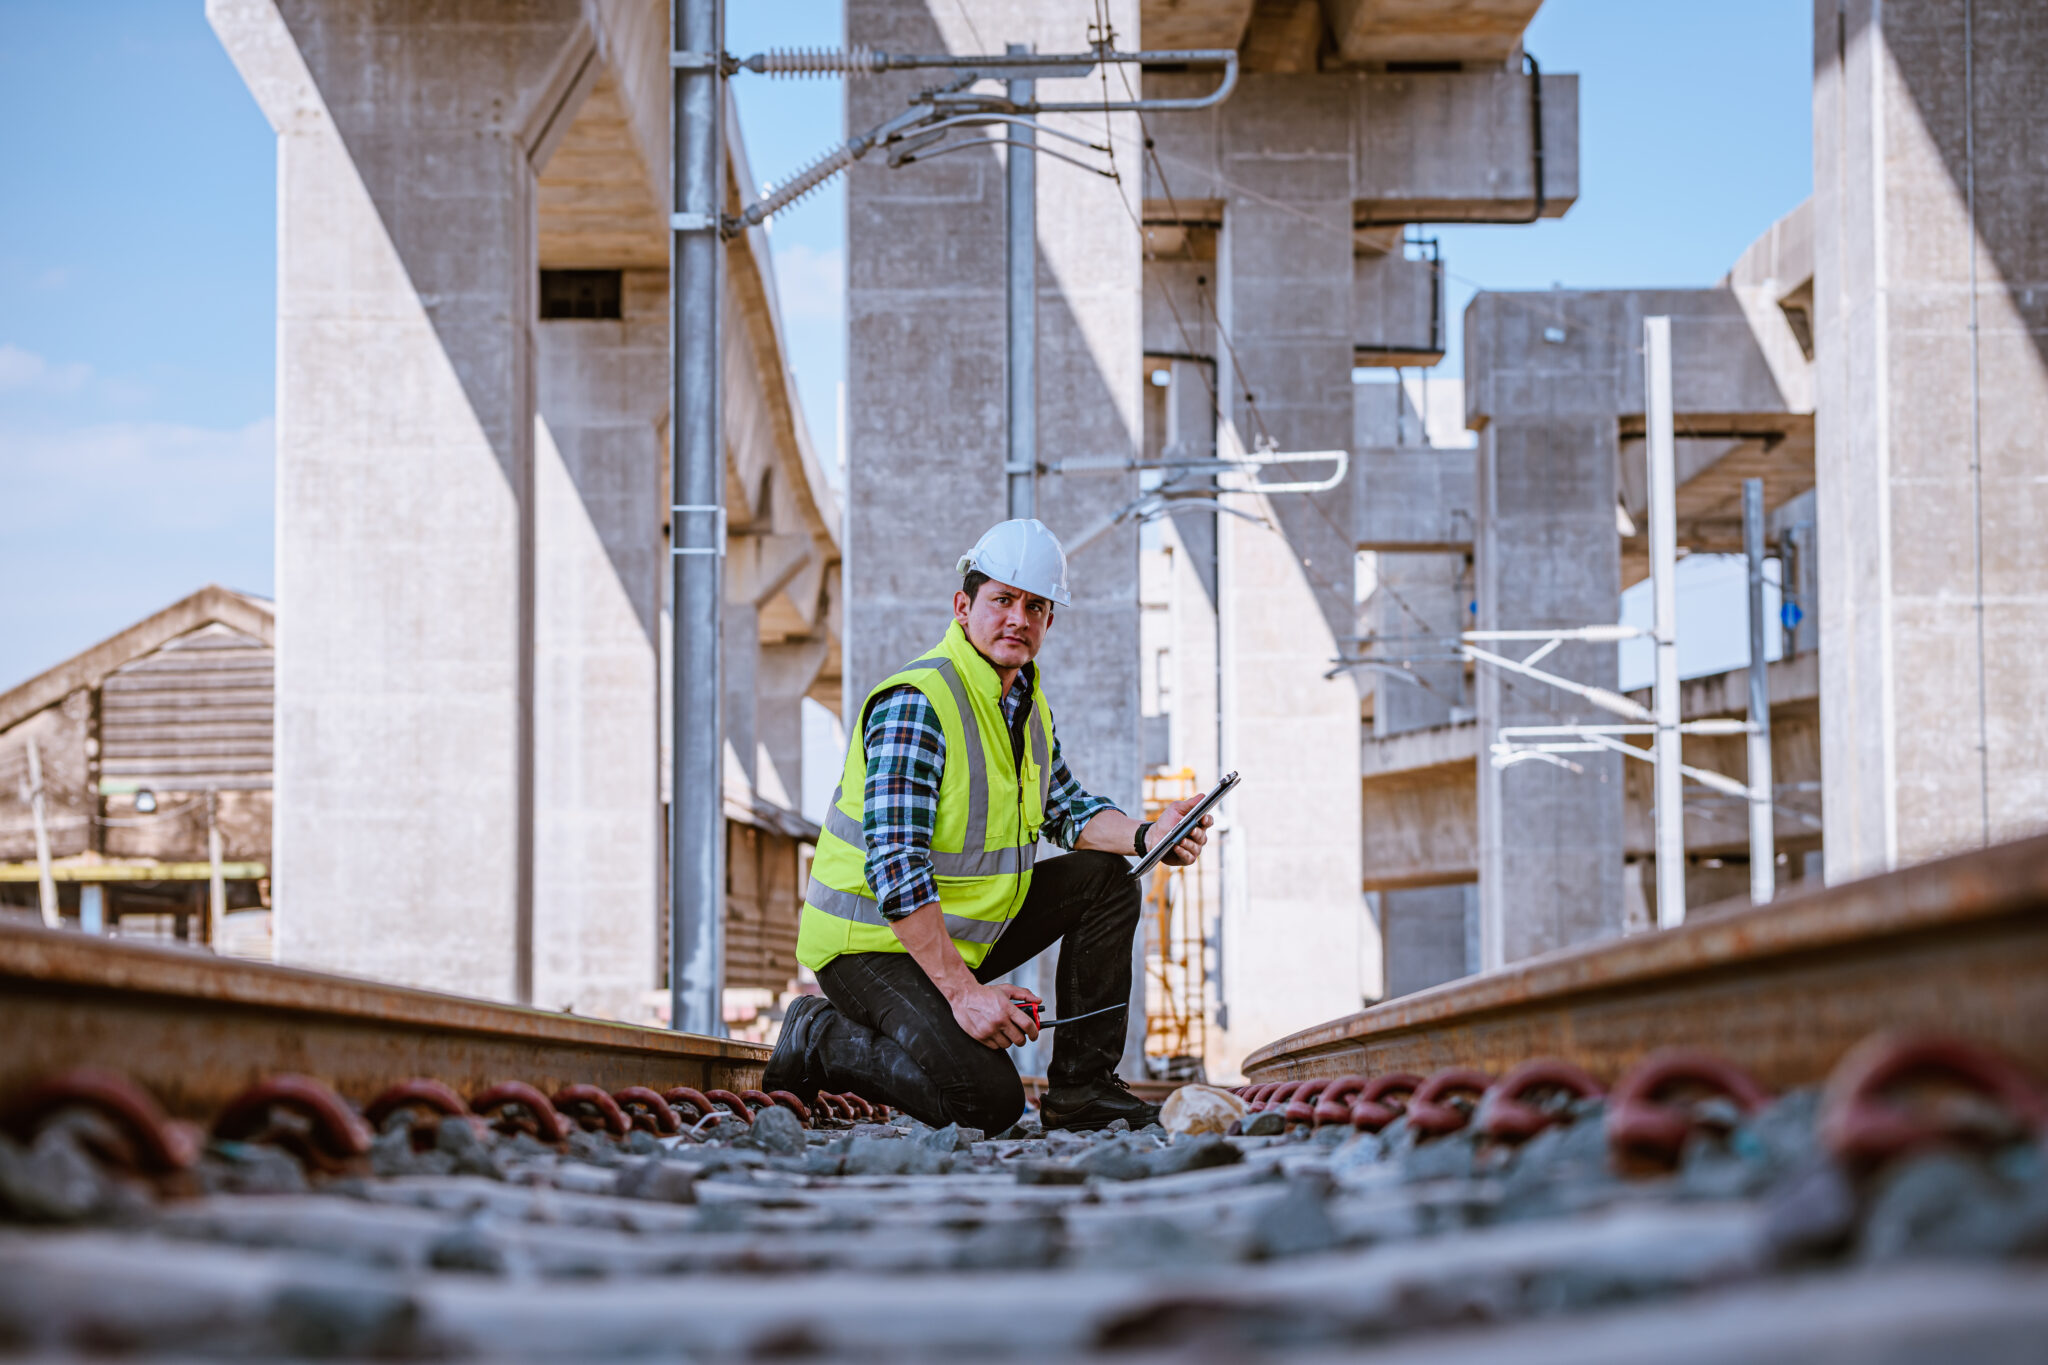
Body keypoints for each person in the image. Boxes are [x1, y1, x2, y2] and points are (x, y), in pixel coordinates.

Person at [763, 518, 1215, 1134]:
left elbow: (1065, 810)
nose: (1018, 619)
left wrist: (1148, 835)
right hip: (869, 943)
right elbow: (896, 869)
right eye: (1002, 600)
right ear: (963, 606)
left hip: (957, 931)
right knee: (986, 1103)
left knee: (1109, 881)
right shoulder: (919, 703)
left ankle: (1082, 1091)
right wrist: (965, 995)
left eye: (1035, 606)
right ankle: (820, 1036)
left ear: (1049, 620)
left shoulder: (1023, 704)